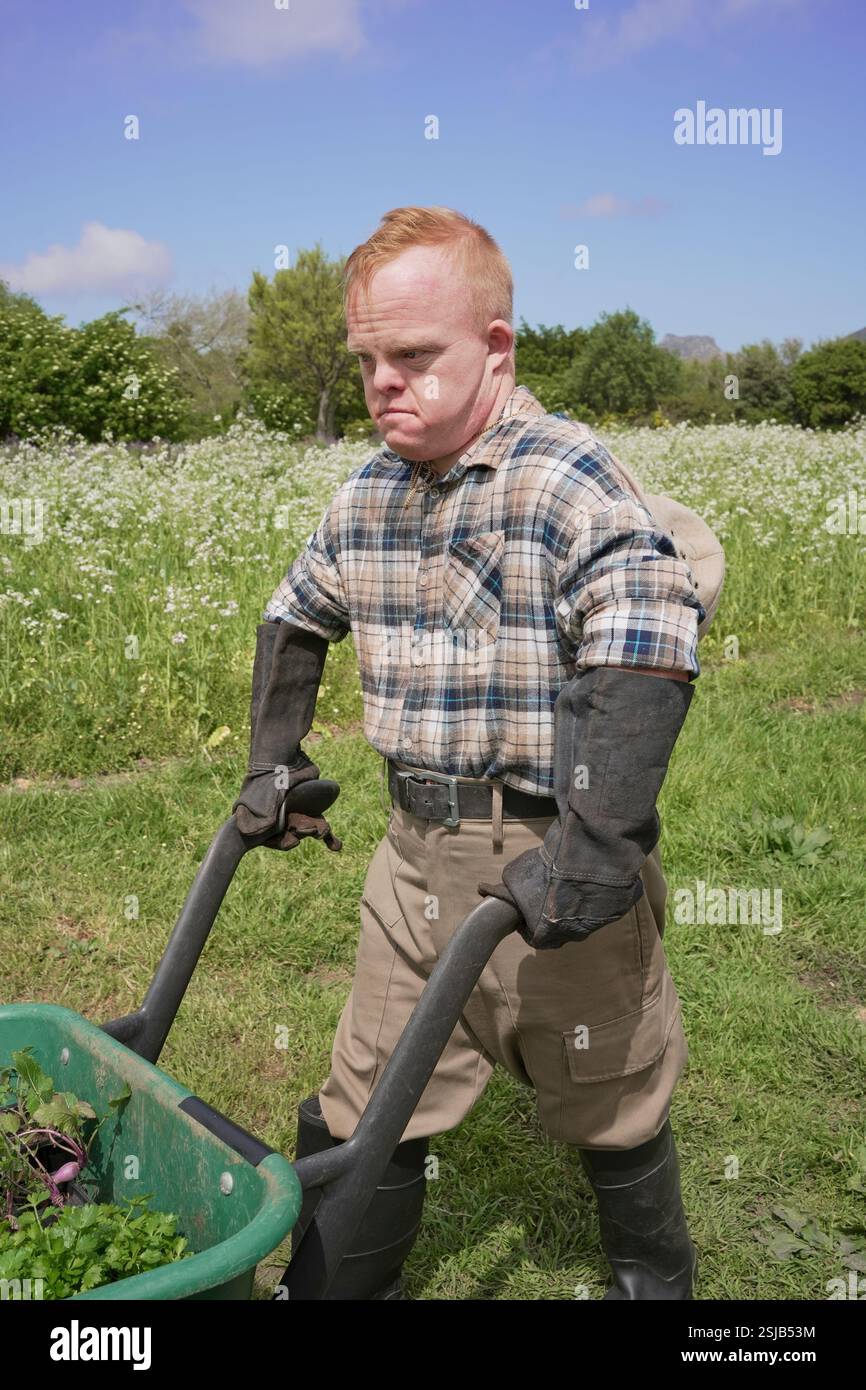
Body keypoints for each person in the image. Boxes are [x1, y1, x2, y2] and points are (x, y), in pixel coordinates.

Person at [233, 205, 714, 1301]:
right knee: (370, 1088)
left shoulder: (558, 476)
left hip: (550, 857)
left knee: (611, 1090)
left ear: (493, 348)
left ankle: (656, 1284)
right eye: (366, 361)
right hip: (410, 861)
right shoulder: (365, 493)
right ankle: (334, 1286)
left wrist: (597, 845)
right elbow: (296, 615)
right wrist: (272, 759)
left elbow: (642, 634)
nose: (382, 384)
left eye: (411, 356)